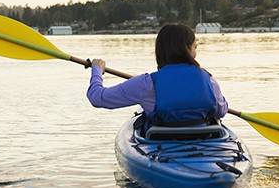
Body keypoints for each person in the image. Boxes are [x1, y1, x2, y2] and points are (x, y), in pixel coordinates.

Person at [86, 24, 228, 128]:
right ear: (187, 50)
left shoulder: (145, 84)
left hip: (161, 143)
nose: (196, 52)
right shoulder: (209, 80)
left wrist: (97, 70)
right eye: (195, 47)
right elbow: (221, 111)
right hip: (203, 140)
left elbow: (97, 97)